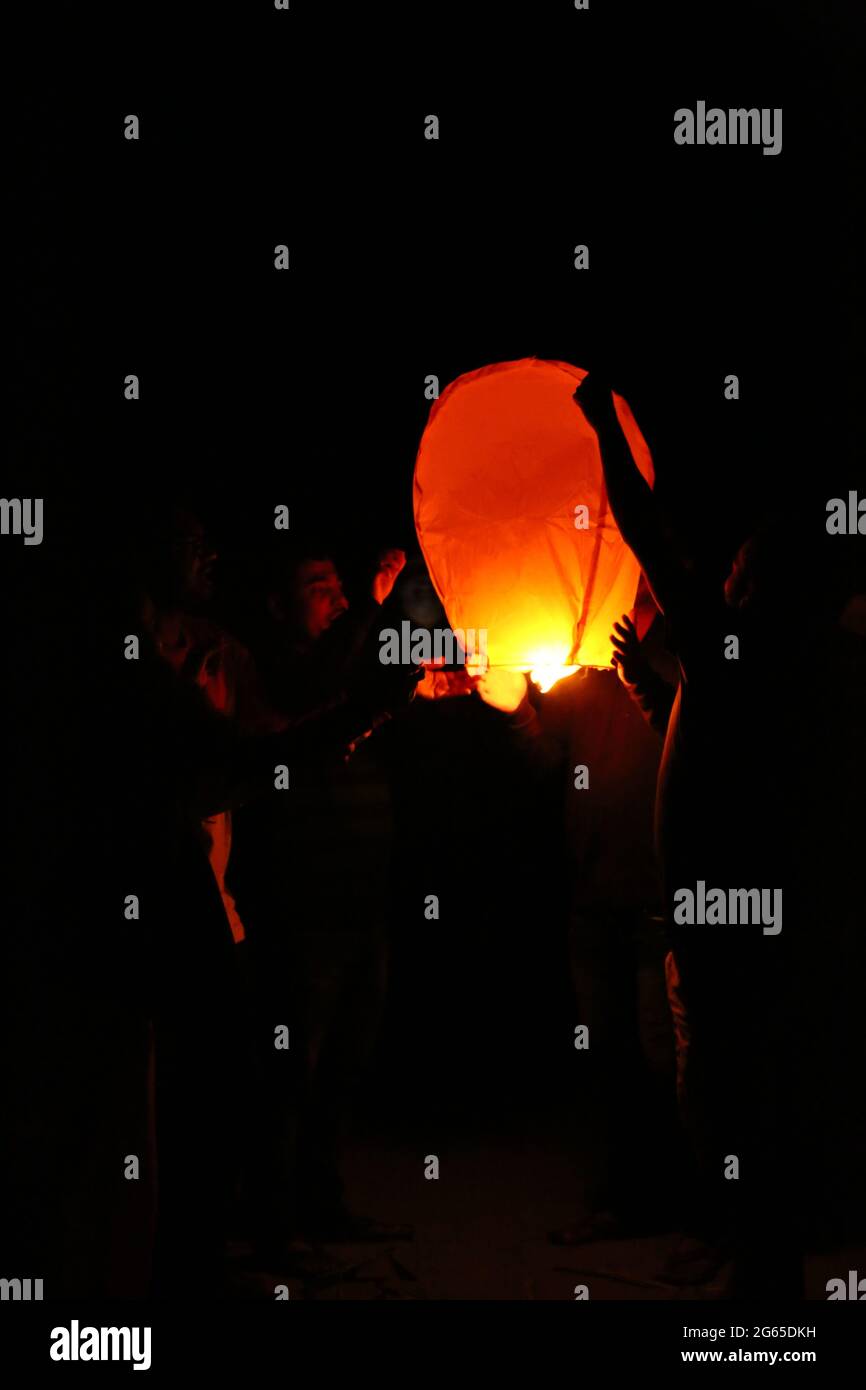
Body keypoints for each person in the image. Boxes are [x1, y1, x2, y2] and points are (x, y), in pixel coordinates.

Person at [572, 374, 802, 1298]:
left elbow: (644, 527)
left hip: (720, 919)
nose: (728, 573)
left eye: (742, 566)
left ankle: (759, 1278)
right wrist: (648, 691)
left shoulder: (733, 646)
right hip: (744, 910)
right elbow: (710, 743)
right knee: (734, 1082)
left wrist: (601, 426)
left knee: (723, 1086)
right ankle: (745, 1243)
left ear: (758, 585)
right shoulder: (777, 667)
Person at [472, 600, 684, 1245]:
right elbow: (547, 762)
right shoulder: (583, 665)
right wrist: (514, 709)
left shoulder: (686, 658)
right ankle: (618, 1203)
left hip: (662, 901)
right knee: (607, 1055)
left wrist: (644, 676)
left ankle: (688, 1214)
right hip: (594, 899)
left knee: (666, 1062)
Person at [230, 538, 420, 1254]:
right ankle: (269, 1219)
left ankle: (322, 1202)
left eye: (341, 586)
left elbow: (367, 694)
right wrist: (372, 606)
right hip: (300, 904)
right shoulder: (271, 671)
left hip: (360, 900)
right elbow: (317, 697)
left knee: (344, 1061)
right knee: (289, 1067)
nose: (339, 598)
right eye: (320, 587)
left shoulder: (345, 668)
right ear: (278, 605)